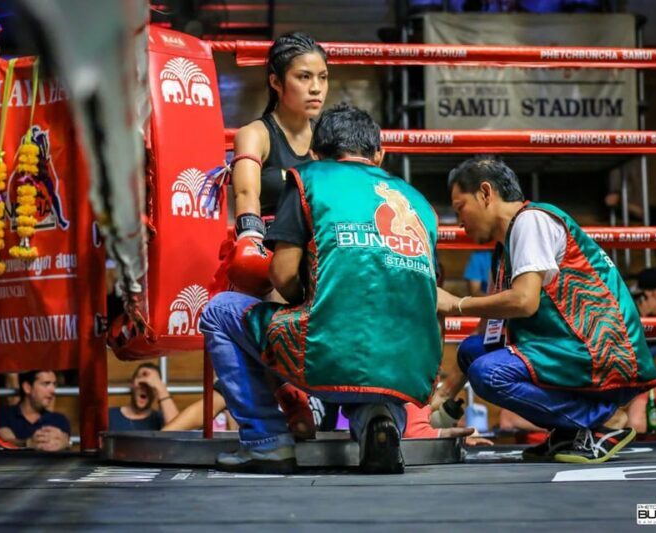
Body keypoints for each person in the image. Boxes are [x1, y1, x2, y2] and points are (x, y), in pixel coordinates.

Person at [200, 103, 443, 474]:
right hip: (410, 371)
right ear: (380, 154)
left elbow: (281, 275)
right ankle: (379, 419)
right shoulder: (420, 203)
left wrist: (308, 298)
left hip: (327, 356)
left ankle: (266, 441)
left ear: (316, 152)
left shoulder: (306, 179)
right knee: (372, 366)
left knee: (219, 311)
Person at [435, 155, 656, 464]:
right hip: (565, 351)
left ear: (486, 193)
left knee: (488, 373)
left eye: (460, 208)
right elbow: (488, 327)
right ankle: (568, 432)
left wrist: (456, 303)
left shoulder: (532, 221)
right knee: (474, 350)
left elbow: (525, 302)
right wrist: (443, 397)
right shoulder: (504, 248)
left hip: (600, 353)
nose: (460, 223)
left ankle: (601, 425)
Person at [206, 31, 330, 440]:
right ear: (276, 82)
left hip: (321, 255)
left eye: (323, 77)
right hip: (271, 252)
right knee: (270, 281)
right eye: (304, 76)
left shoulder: (327, 139)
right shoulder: (256, 134)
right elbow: (246, 192)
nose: (315, 88)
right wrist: (250, 238)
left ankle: (306, 393)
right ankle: (290, 396)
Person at [0, 370, 71, 451]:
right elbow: (6, 441)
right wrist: (27, 443)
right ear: (27, 388)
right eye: (46, 384)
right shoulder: (3, 415)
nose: (53, 390)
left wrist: (66, 443)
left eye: (54, 384)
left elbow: (66, 441)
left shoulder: (59, 419)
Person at [108, 363, 179, 431]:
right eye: (142, 384)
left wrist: (161, 389)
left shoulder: (160, 419)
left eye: (150, 385)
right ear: (132, 384)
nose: (145, 388)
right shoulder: (109, 415)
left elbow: (177, 433)